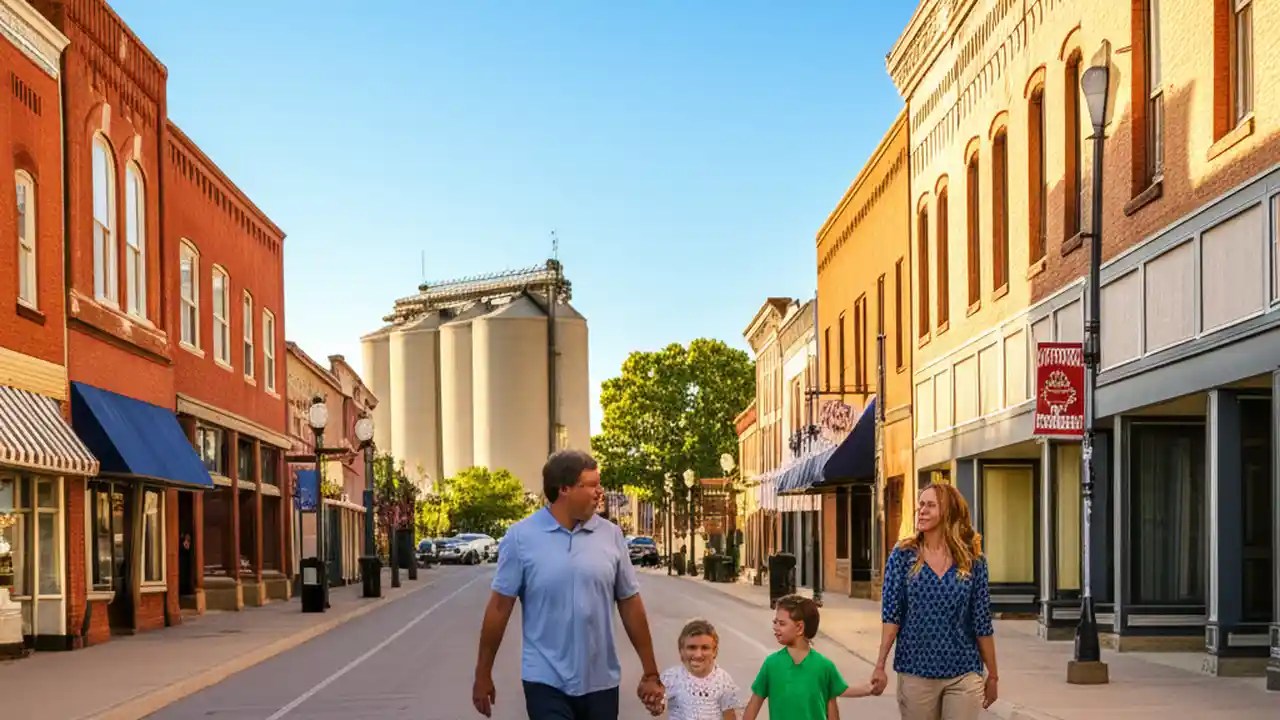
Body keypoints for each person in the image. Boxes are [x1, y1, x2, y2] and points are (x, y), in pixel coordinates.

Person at [472, 449, 665, 719]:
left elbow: (630, 604)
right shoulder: (521, 537)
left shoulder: (611, 536)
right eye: (592, 484)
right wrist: (483, 673)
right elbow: (499, 609)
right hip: (545, 679)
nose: (601, 492)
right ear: (564, 489)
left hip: (601, 681)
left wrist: (651, 672)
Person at [869, 483, 999, 720]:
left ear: (948, 512)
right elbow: (891, 615)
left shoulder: (973, 560)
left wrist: (993, 675)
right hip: (916, 670)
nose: (922, 510)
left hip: (964, 670)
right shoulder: (903, 556)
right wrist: (880, 664)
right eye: (920, 505)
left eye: (930, 505)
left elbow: (981, 620)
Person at [743, 595, 873, 720]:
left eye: (782, 623)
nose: (775, 627)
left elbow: (832, 704)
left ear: (799, 627)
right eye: (775, 622)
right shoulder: (771, 664)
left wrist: (870, 689)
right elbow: (754, 704)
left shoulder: (824, 666)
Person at [659, 618, 742, 720]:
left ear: (715, 651)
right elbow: (657, 708)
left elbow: (730, 716)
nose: (698, 655)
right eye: (692, 647)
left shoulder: (723, 681)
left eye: (705, 648)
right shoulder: (671, 678)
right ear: (681, 650)